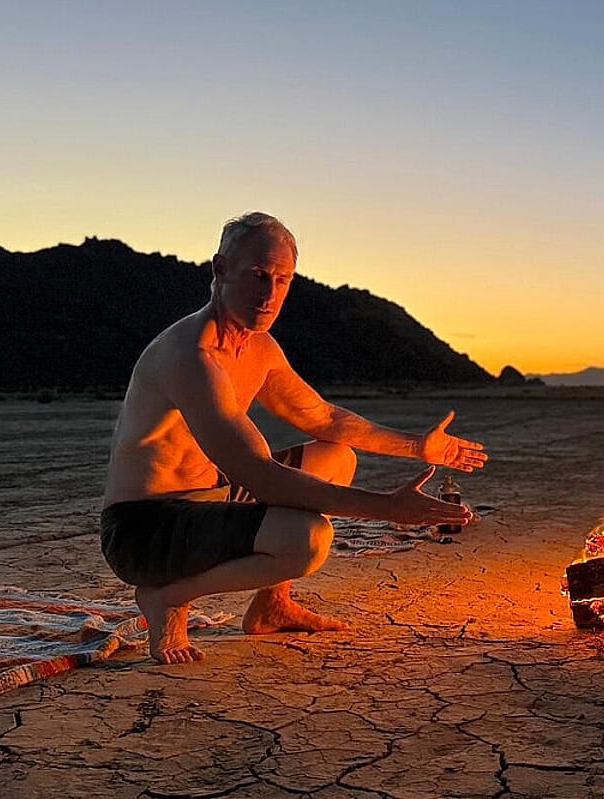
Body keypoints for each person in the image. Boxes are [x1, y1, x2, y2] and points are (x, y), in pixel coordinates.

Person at [101, 212, 487, 664]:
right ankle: (168, 597)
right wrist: (388, 509)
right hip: (145, 529)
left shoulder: (258, 348)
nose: (269, 295)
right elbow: (262, 478)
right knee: (306, 539)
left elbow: (323, 418)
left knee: (336, 458)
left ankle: (272, 604)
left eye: (282, 280)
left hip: (211, 500)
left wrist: (418, 446)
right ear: (220, 270)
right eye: (258, 275)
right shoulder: (190, 355)